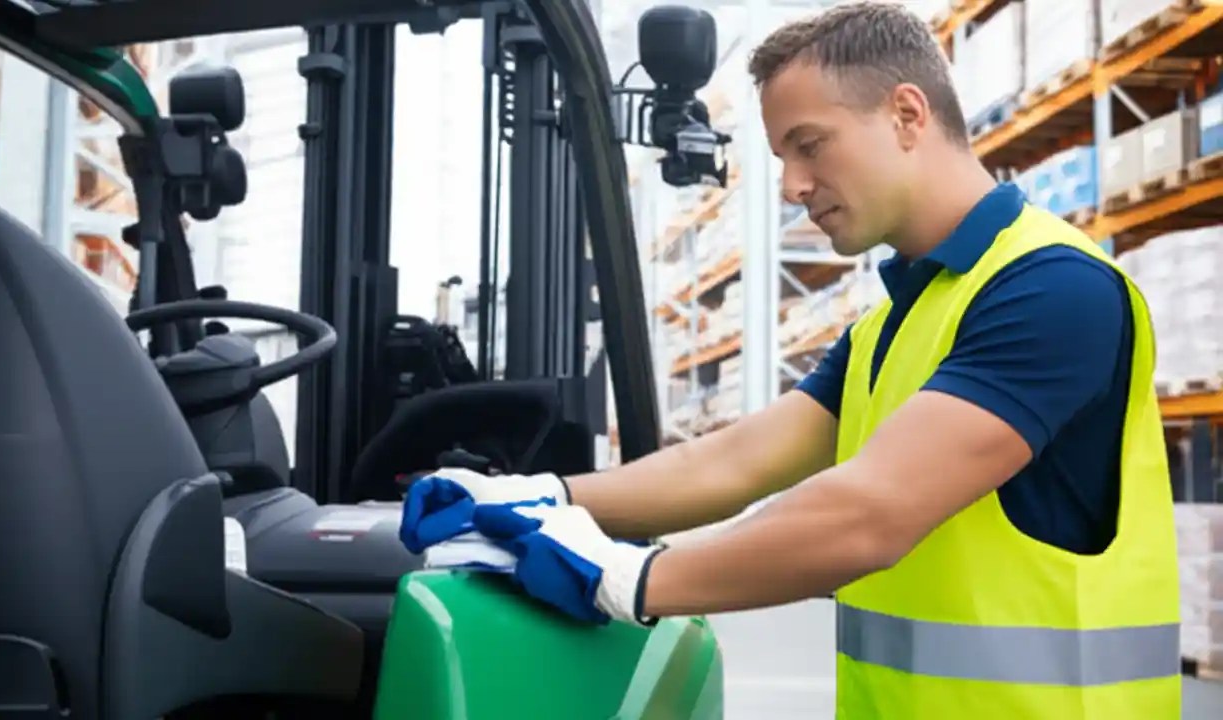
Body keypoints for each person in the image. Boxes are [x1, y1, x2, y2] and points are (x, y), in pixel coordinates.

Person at [400, 2, 1182, 717]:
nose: (793, 186)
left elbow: (869, 514)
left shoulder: (1052, 288)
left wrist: (632, 579)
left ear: (908, 114)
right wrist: (543, 493)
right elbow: (734, 462)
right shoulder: (893, 324)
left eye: (809, 146)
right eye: (782, 157)